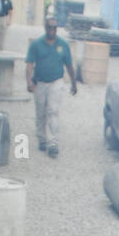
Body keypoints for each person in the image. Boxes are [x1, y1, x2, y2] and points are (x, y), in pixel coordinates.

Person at [25, 15, 78, 157]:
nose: (52, 30)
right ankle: (42, 139)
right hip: (40, 82)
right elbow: (30, 64)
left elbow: (69, 65)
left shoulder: (63, 45)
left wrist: (74, 82)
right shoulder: (36, 45)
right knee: (40, 112)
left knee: (53, 111)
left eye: (54, 28)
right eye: (49, 27)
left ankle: (53, 143)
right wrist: (29, 81)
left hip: (56, 81)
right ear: (45, 28)